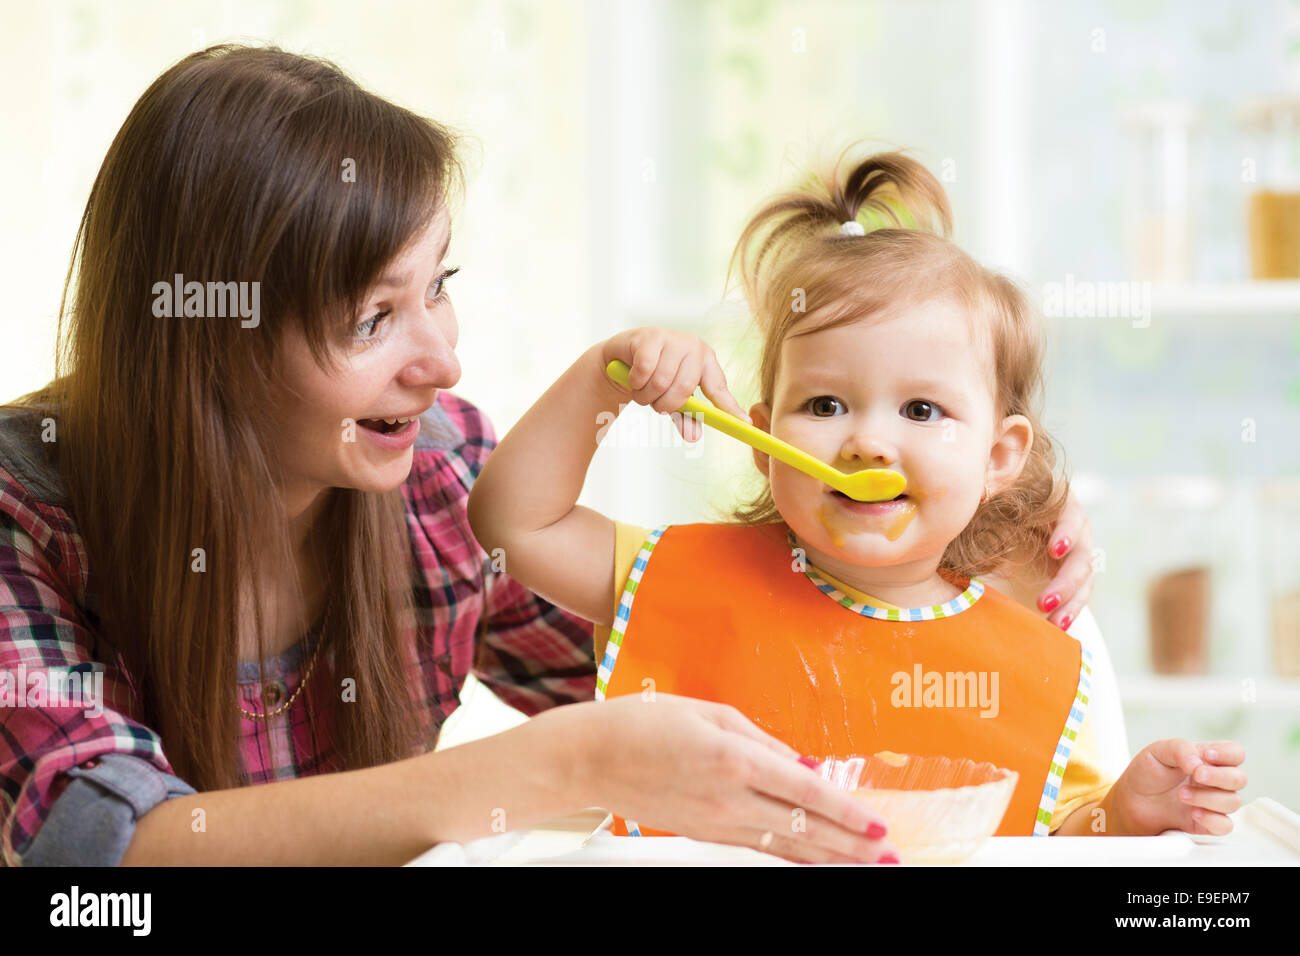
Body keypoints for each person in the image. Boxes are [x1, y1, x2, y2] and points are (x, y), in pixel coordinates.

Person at [0, 44, 915, 867]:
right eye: (372, 319)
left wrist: (956, 559)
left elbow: (705, 686)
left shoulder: (440, 477)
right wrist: (568, 761)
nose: (443, 364)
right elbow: (97, 855)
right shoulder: (24, 514)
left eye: (438, 286)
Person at [467, 150, 1246, 842]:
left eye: (921, 410)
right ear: (765, 433)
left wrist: (1130, 812)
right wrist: (606, 376)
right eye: (826, 406)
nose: (868, 442)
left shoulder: (1028, 656)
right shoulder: (679, 575)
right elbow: (513, 522)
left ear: (1000, 455)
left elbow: (1048, 835)